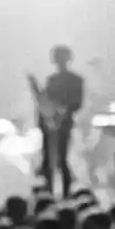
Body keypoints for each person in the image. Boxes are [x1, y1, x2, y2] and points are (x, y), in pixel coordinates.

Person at [30, 45, 84, 198]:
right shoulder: (52, 80)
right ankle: (48, 193)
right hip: (49, 124)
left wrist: (62, 112)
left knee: (62, 160)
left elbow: (77, 103)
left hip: (64, 124)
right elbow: (45, 103)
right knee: (48, 161)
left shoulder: (76, 80)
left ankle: (65, 194)